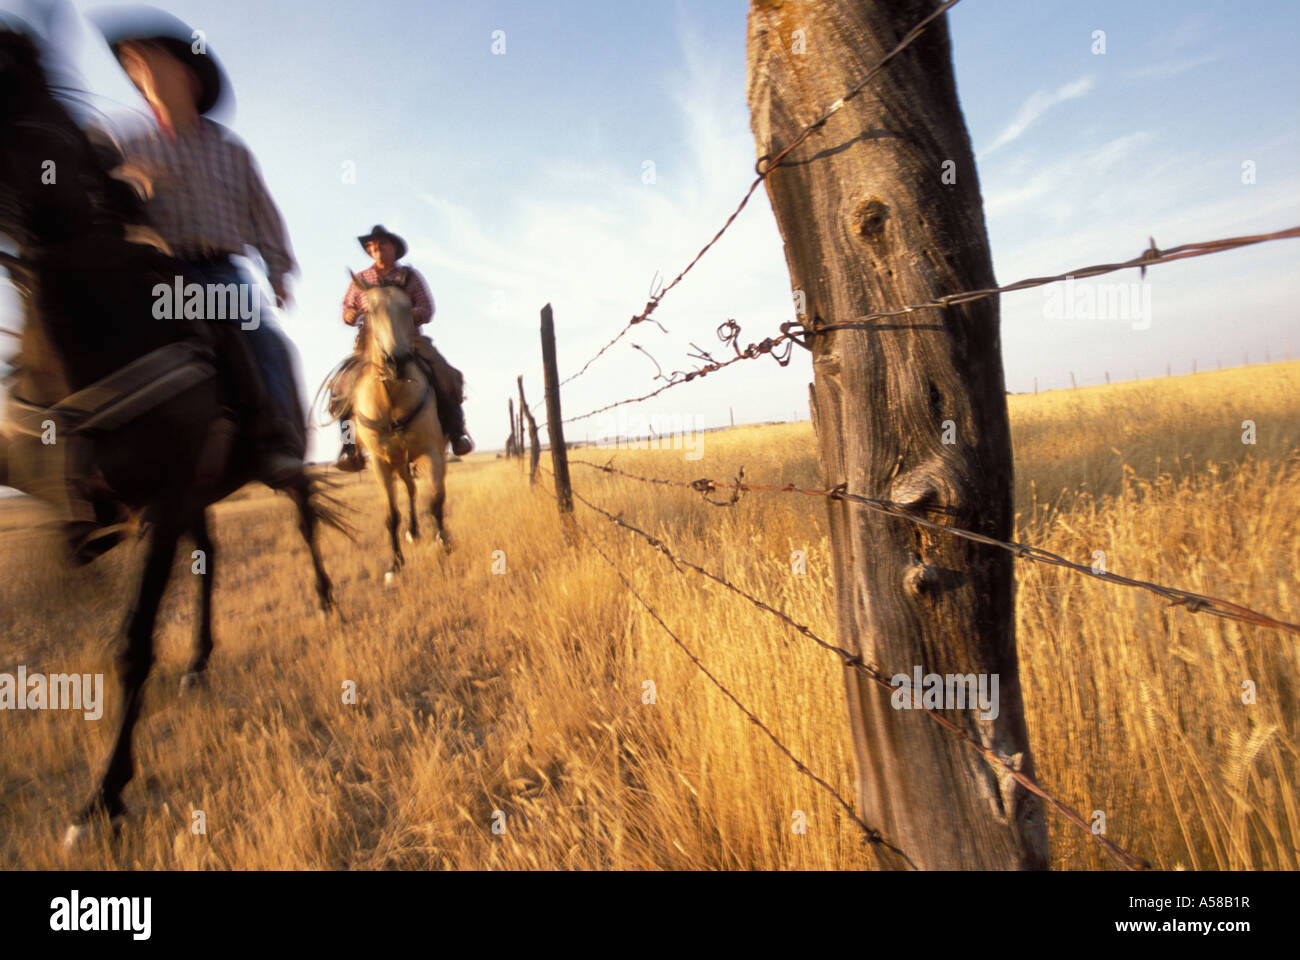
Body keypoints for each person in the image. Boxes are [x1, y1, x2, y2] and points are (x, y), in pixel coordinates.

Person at [92, 7, 304, 487]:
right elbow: (90, 199)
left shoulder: (231, 151)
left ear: (187, 75)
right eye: (131, 68)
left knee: (265, 340)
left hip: (219, 273)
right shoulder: (121, 145)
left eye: (148, 62)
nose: (138, 74)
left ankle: (276, 442)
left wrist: (277, 270)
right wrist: (123, 181)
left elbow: (263, 215)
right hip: (153, 274)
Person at [334, 224, 473, 470]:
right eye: (372, 245)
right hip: (370, 346)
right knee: (341, 389)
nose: (376, 248)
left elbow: (427, 308)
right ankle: (349, 448)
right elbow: (346, 309)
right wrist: (351, 314)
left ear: (394, 249)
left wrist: (404, 315)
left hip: (410, 339)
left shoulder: (409, 276)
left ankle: (457, 431)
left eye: (382, 244)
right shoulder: (361, 280)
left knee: (448, 375)